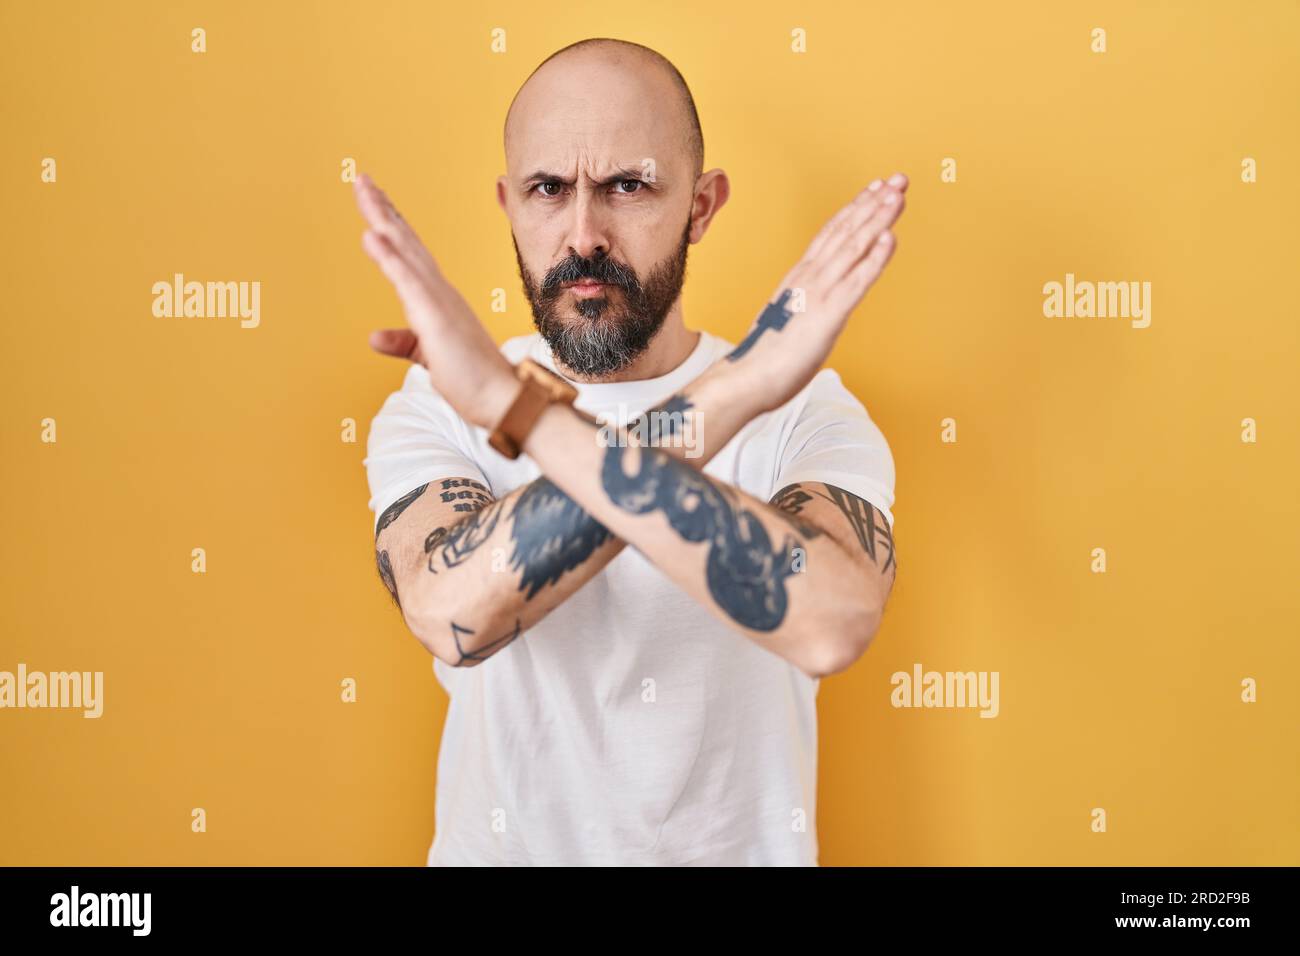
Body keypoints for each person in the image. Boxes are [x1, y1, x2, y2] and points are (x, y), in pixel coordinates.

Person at [360, 37, 905, 866]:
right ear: (509, 203)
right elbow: (454, 617)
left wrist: (524, 417)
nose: (584, 235)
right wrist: (732, 393)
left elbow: (829, 624)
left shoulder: (805, 411)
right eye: (549, 189)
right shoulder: (440, 403)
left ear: (701, 205)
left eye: (628, 185)